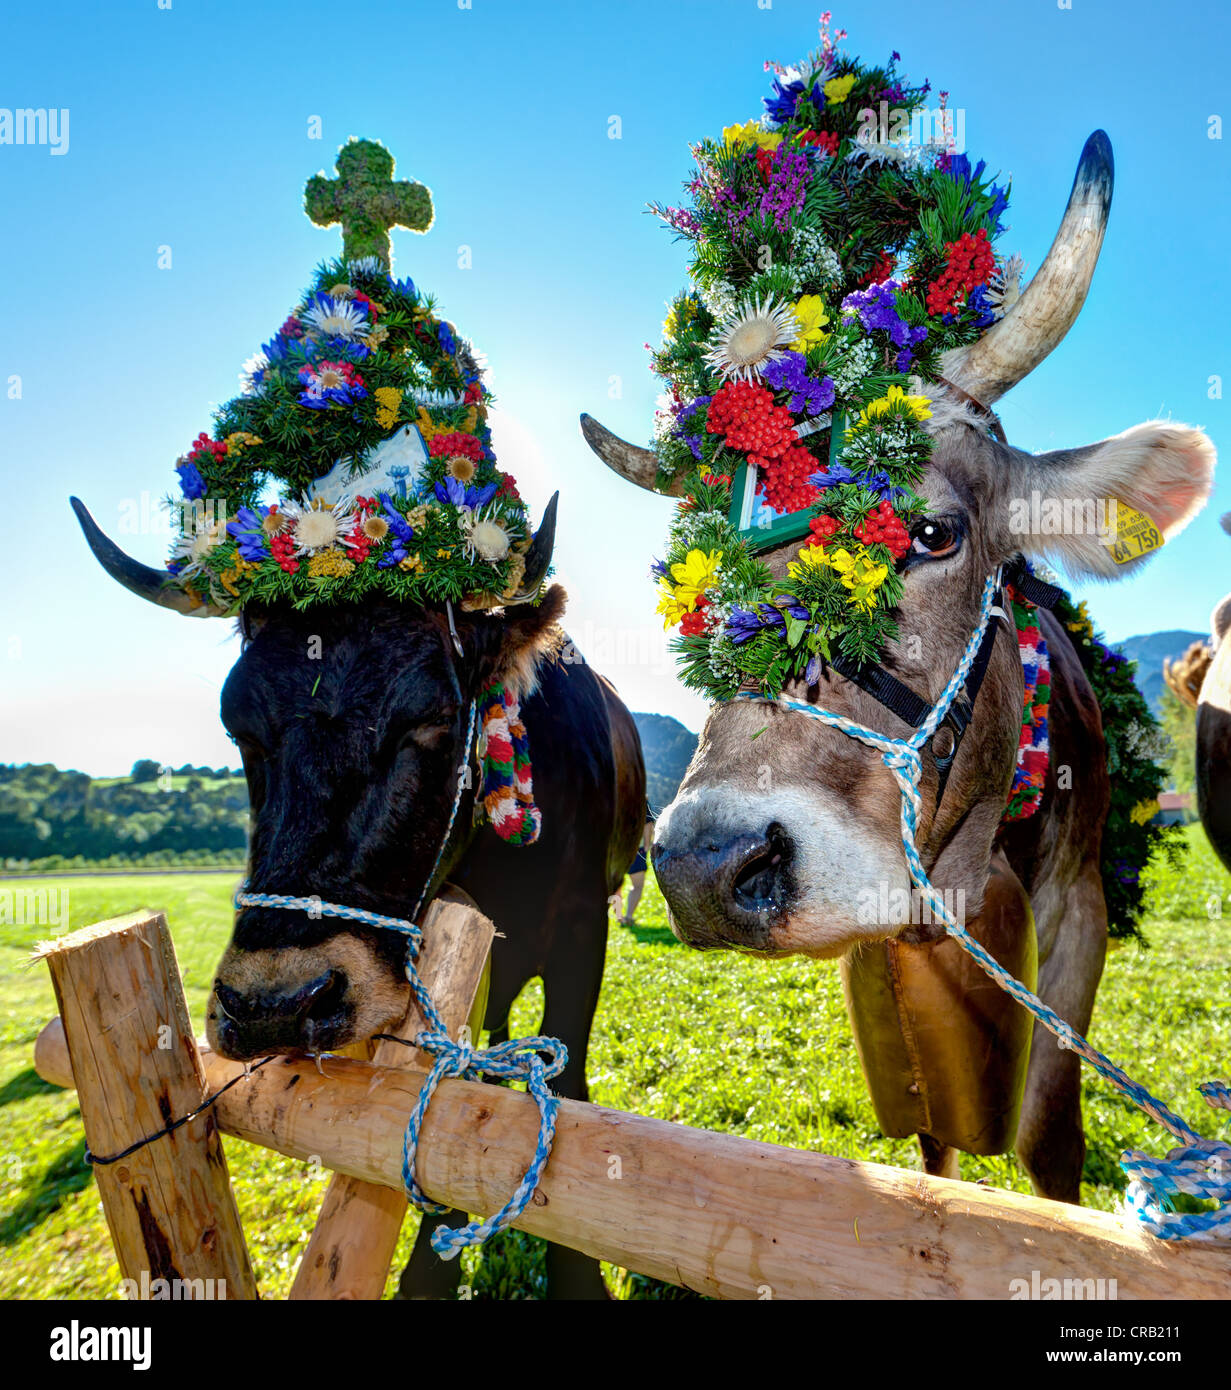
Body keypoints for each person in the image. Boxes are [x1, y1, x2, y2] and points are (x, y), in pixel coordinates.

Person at [613, 811, 655, 927]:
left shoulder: (608, 796)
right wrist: (646, 846)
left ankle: (619, 918)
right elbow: (647, 823)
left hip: (614, 849)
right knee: (637, 886)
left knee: (616, 887)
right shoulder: (639, 798)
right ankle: (629, 916)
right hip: (635, 848)